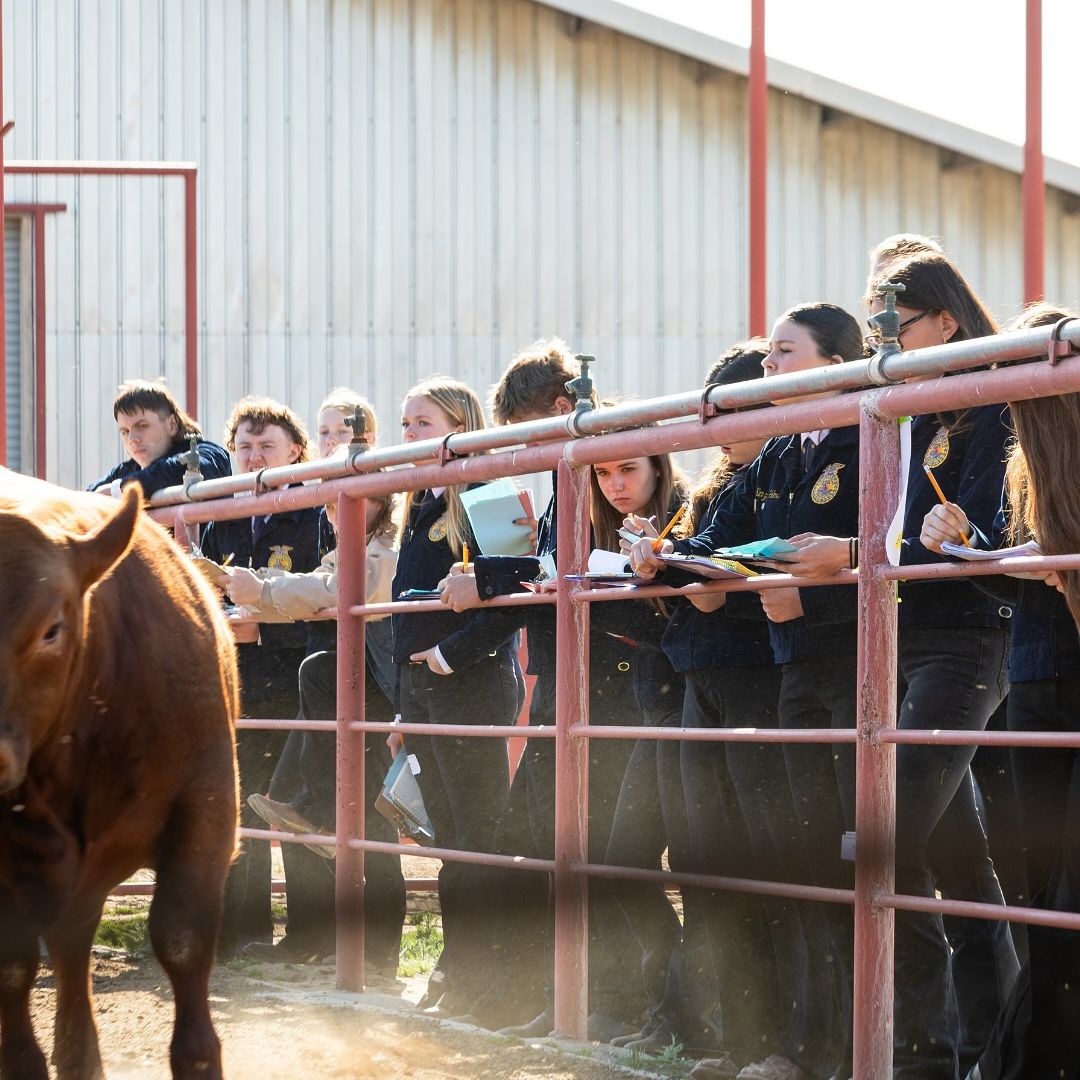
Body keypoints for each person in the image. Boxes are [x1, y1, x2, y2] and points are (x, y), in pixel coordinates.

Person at [631, 302, 865, 1080]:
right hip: (763, 668)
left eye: (779, 360)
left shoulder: (863, 436)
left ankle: (828, 1046)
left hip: (792, 671)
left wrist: (735, 577)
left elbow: (877, 555)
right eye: (761, 365)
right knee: (737, 866)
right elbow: (712, 545)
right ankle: (752, 1039)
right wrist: (661, 562)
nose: (766, 377)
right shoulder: (769, 462)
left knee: (807, 867)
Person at [439, 339, 657, 1040]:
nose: (528, 443)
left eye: (533, 426)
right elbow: (544, 572)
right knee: (535, 843)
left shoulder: (602, 470)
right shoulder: (558, 482)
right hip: (567, 680)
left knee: (595, 852)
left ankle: (625, 1001)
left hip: (615, 683)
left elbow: (576, 571)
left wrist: (499, 585)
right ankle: (558, 995)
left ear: (564, 410)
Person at [858, 250, 1019, 1079]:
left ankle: (927, 1050)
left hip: (967, 630)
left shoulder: (985, 401)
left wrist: (964, 536)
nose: (882, 338)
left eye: (897, 323)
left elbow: (998, 522)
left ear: (945, 325)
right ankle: (974, 1046)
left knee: (888, 840)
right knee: (953, 856)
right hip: (902, 628)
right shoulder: (895, 402)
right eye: (875, 325)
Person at [922, 303, 1080, 1080]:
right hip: (1034, 668)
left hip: (1049, 668)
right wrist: (967, 543)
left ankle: (1017, 1063)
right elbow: (1022, 552)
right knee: (1040, 889)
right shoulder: (1022, 456)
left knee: (1061, 892)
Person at [227, 390, 406, 976]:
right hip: (330, 689)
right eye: (331, 505)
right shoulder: (345, 528)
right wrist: (264, 596)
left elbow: (345, 591)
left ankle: (374, 950)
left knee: (368, 818)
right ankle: (310, 935)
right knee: (291, 808)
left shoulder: (387, 536)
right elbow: (327, 584)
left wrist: (263, 596)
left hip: (371, 689)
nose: (334, 510)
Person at [392, 376, 524, 1016]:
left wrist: (452, 655)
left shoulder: (490, 491)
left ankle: (484, 972)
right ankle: (461, 967)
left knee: (478, 835)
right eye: (406, 424)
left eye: (422, 423)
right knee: (447, 838)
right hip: (421, 688)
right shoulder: (418, 503)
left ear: (459, 424)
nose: (408, 435)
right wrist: (402, 701)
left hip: (467, 683)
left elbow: (517, 593)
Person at [200, 396, 323, 959]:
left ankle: (310, 934)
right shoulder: (220, 515)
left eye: (265, 446)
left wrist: (263, 623)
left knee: (298, 798)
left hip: (295, 668)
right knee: (242, 799)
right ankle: (242, 929)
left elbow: (326, 594)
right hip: (238, 677)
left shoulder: (317, 507)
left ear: (296, 451)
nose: (252, 458)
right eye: (243, 447)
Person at [87, 378, 231, 498]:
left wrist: (119, 490)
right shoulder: (128, 470)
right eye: (124, 431)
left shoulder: (209, 453)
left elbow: (189, 467)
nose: (132, 438)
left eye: (142, 426)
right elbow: (86, 498)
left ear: (172, 425)